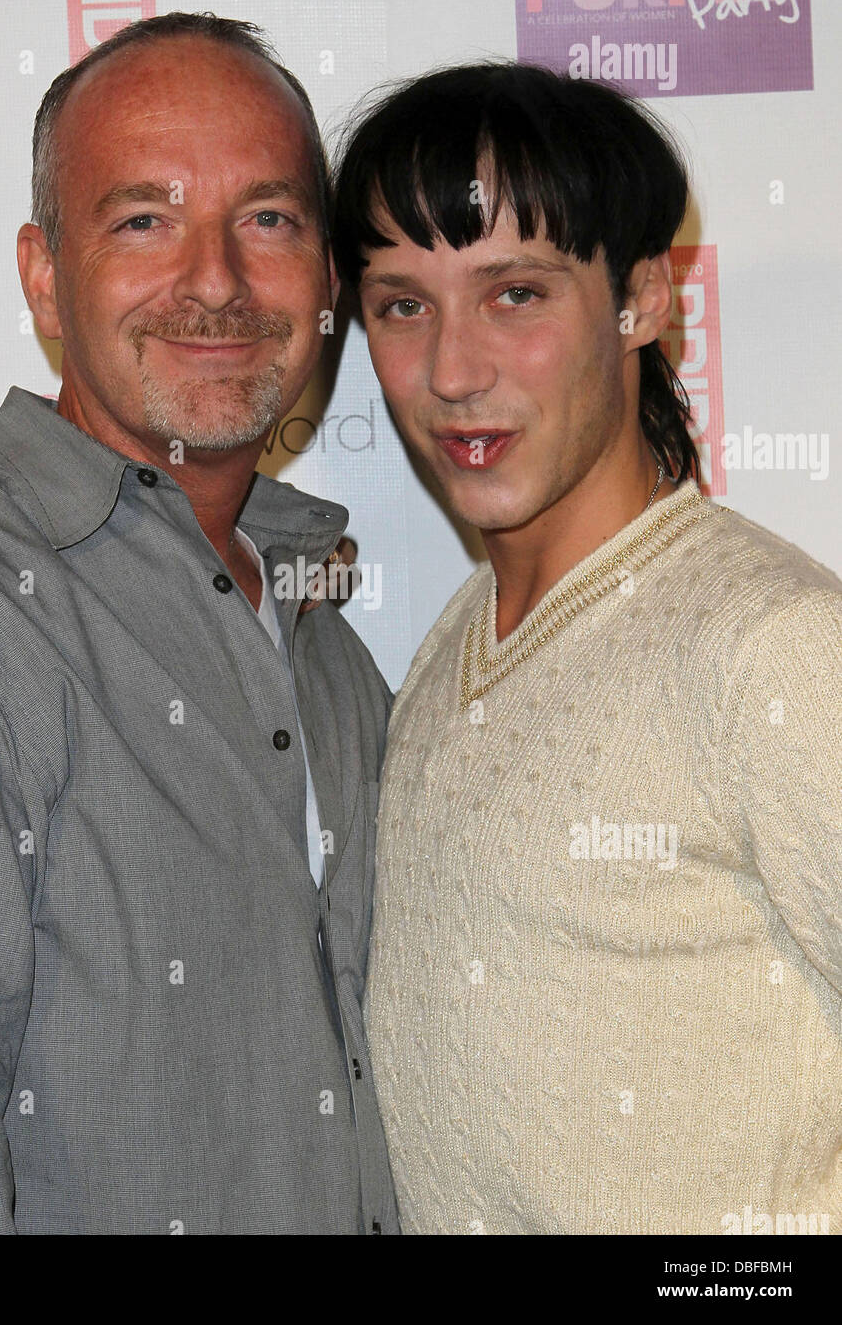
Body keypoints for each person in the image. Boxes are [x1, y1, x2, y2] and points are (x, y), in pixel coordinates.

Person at [0, 13, 398, 1236]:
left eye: (269, 220)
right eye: (144, 219)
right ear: (41, 273)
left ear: (328, 276)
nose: (216, 281)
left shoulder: (324, 641)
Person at [332, 61, 842, 1235]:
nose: (452, 373)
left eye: (515, 294)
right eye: (402, 304)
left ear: (641, 300)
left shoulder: (771, 650)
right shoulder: (450, 647)